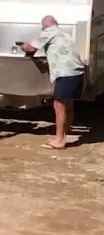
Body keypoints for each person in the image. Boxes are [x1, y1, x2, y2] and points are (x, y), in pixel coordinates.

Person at [19, 16, 87, 150]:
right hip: (77, 72)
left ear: (44, 26)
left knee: (59, 105)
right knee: (68, 103)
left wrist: (23, 46)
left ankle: (59, 140)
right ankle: (66, 131)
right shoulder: (65, 35)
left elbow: (32, 48)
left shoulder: (49, 32)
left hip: (65, 73)